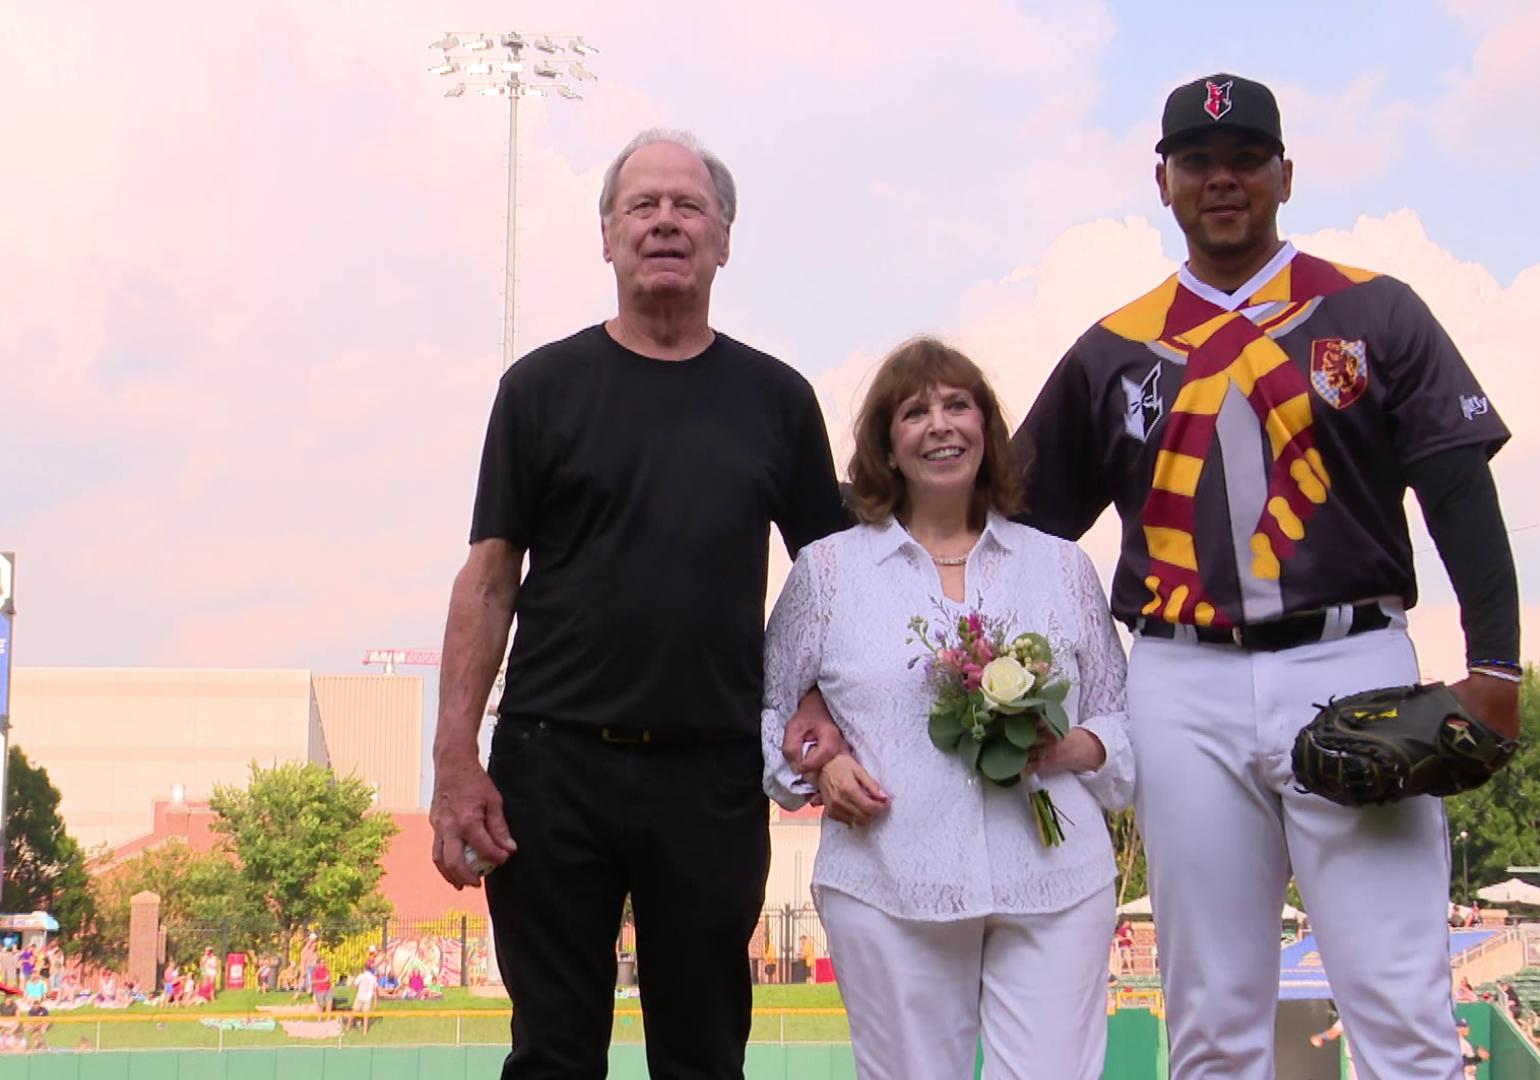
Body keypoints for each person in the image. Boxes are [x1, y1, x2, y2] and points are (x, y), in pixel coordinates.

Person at [787, 71, 1520, 1080]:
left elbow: (1458, 492)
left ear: (1285, 175)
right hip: (1182, 678)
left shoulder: (1373, 312)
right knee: (1212, 1019)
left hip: (1355, 666)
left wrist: (1499, 665)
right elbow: (974, 511)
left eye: (1246, 161)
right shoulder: (1114, 349)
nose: (1223, 181)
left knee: (1401, 1007)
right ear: (1164, 182)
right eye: (1198, 164)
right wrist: (827, 638)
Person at [429, 127, 847, 1080]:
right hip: (550, 766)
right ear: (607, 235)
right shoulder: (538, 390)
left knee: (703, 1056)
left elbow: (831, 580)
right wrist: (456, 755)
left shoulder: (778, 400)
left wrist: (818, 697)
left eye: (688, 205)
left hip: (709, 774)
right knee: (552, 1053)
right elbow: (489, 576)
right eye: (642, 206)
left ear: (725, 239)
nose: (665, 221)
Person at [760, 338, 1134, 1079]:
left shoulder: (1061, 567)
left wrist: (1068, 750)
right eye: (914, 411)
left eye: (959, 405)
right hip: (890, 880)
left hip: (1055, 880)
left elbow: (1122, 720)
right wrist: (823, 766)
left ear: (987, 431)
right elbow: (770, 714)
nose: (941, 425)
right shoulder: (829, 572)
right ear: (886, 447)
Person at [350, 965, 378, 1034]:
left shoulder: (361, 976)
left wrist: (354, 981)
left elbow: (354, 986)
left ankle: (348, 1027)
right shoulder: (373, 977)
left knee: (353, 1012)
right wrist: (375, 1001)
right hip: (368, 998)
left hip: (360, 996)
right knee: (366, 1015)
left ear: (364, 969)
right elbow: (375, 990)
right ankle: (365, 1032)